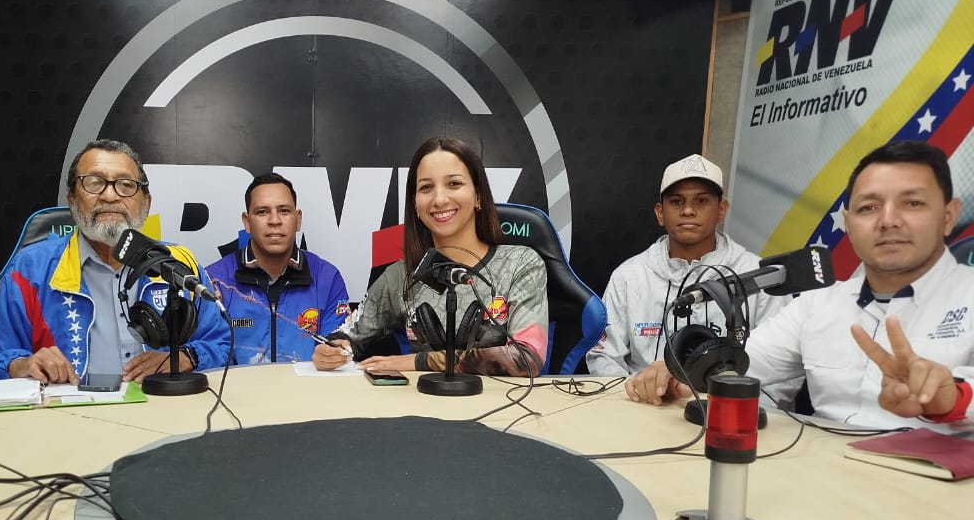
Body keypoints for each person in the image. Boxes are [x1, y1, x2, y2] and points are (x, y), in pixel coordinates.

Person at [625, 140, 973, 432]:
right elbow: (741, 365)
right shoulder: (818, 304)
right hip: (825, 482)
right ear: (849, 224)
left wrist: (949, 400)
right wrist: (675, 375)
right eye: (869, 207)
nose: (888, 220)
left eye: (912, 203)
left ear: (948, 214)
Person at [0, 139, 230, 384]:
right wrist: (19, 365)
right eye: (94, 182)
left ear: (146, 204)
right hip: (69, 423)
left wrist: (187, 357)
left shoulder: (178, 263)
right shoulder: (30, 269)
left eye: (126, 185)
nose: (110, 196)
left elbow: (224, 346)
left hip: (162, 415)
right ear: (72, 201)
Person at [312, 136, 549, 376]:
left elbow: (526, 359)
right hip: (421, 406)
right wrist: (335, 349)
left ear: (478, 195)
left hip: (502, 407)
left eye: (454, 184)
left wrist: (417, 362)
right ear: (415, 204)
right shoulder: (400, 276)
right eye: (426, 187)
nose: (439, 199)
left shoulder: (520, 264)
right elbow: (347, 335)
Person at [587, 154, 789, 376]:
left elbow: (780, 371)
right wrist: (634, 391)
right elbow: (603, 355)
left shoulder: (757, 276)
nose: (688, 210)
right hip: (643, 405)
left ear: (721, 210)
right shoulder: (629, 276)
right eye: (676, 201)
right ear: (660, 213)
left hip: (725, 407)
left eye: (701, 200)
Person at [205, 172, 350, 364]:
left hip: (307, 392)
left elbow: (337, 340)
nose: (274, 221)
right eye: (262, 212)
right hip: (236, 393)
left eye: (284, 211)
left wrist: (334, 353)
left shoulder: (327, 278)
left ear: (298, 220)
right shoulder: (215, 279)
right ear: (247, 222)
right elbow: (207, 348)